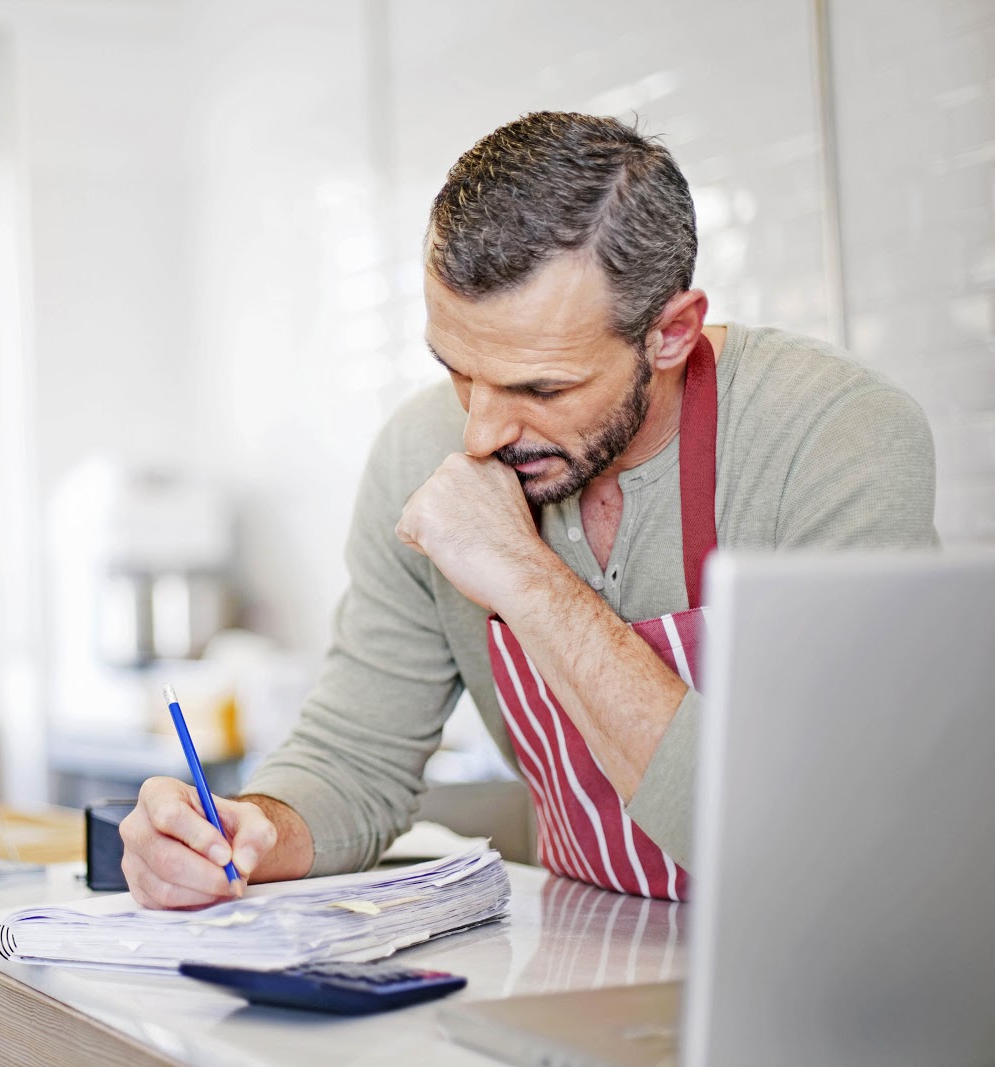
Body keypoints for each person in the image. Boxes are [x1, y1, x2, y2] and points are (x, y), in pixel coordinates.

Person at [120, 111, 938, 907]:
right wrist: (250, 829)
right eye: (459, 371)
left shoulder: (835, 439)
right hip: (591, 968)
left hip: (820, 959)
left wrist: (522, 573)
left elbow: (802, 837)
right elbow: (353, 758)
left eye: (541, 388)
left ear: (672, 333)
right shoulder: (420, 455)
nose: (481, 432)